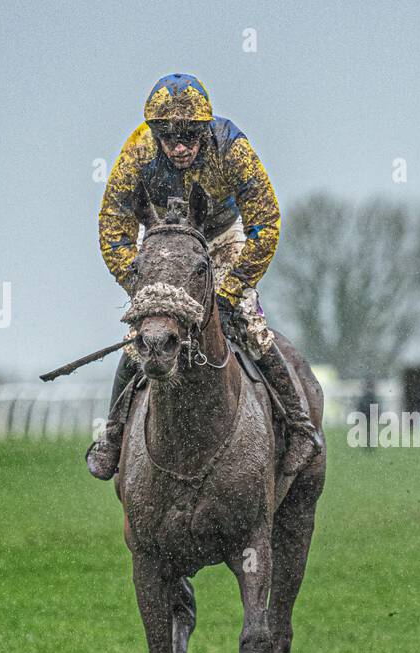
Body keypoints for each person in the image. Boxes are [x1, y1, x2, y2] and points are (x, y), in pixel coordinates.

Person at [86, 73, 322, 480]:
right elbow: (113, 225)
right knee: (138, 339)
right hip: (165, 244)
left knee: (249, 322)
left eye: (189, 135)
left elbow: (265, 221)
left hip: (222, 238)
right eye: (169, 136)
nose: (179, 146)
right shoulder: (137, 151)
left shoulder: (233, 147)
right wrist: (142, 286)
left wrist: (231, 288)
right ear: (155, 132)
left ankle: (300, 428)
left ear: (204, 128)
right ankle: (112, 438)